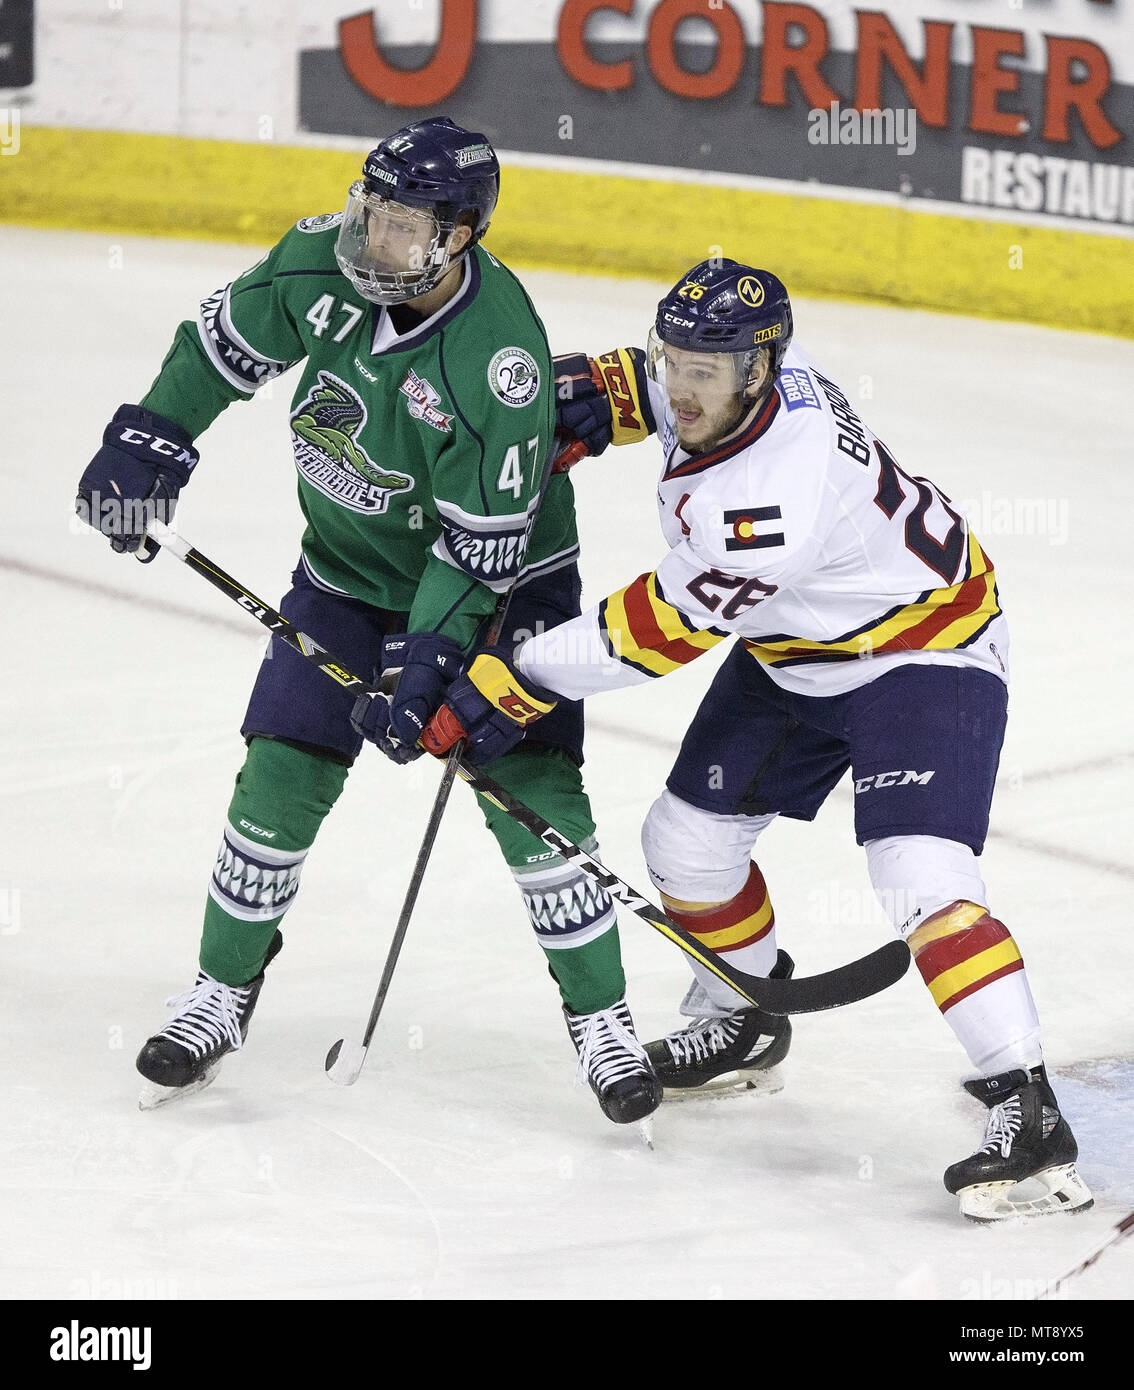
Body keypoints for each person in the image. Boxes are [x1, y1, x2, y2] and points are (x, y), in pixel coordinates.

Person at [410, 256, 1093, 1220]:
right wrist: (602, 395)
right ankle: (744, 1015)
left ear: (761, 370)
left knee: (919, 872)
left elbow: (654, 631)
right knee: (683, 845)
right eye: (673, 360)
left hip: (925, 644)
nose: (683, 386)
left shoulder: (768, 501)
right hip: (798, 643)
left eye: (707, 371)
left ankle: (1028, 1108)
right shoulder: (750, 367)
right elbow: (663, 385)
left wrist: (514, 681)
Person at [74, 117, 660, 1126]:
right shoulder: (320, 265)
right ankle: (221, 992)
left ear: (461, 234)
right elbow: (221, 348)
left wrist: (426, 672)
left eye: (404, 226)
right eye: (373, 211)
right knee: (281, 772)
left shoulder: (497, 359)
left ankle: (601, 1018)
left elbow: (475, 551)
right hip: (345, 575)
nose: (375, 240)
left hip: (500, 591)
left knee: (535, 798)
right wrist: (151, 436)